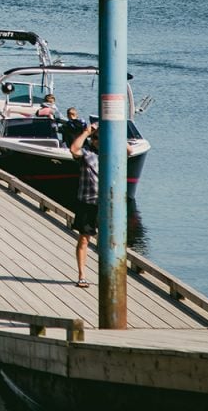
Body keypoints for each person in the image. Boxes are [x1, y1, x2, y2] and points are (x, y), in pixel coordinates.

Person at [69, 119, 133, 288]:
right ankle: (82, 275)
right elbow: (74, 149)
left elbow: (129, 150)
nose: (98, 141)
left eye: (101, 138)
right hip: (88, 202)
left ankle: (110, 275)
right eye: (96, 138)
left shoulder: (112, 153)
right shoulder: (87, 154)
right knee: (84, 239)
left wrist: (115, 133)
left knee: (110, 240)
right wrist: (87, 132)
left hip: (108, 204)